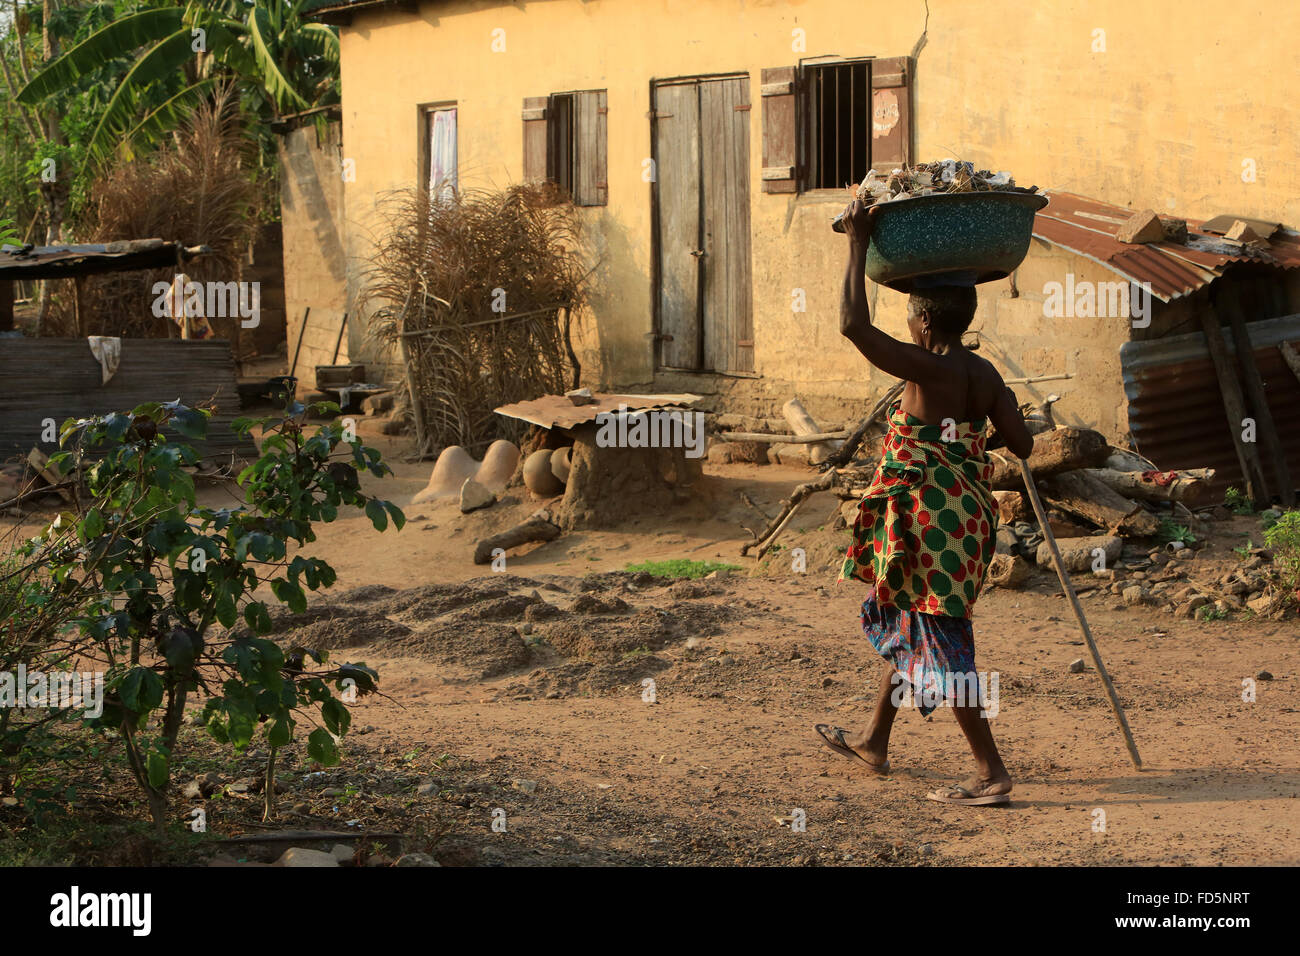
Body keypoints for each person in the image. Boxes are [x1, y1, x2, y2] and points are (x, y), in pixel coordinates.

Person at [814, 199, 1035, 806]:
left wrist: (857, 243)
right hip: (964, 520)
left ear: (925, 324)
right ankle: (874, 741)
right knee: (916, 615)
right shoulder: (983, 375)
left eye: (911, 317)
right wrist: (989, 411)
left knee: (939, 636)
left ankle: (991, 773)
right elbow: (1023, 443)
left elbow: (853, 326)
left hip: (927, 518)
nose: (908, 327)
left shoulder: (925, 367)